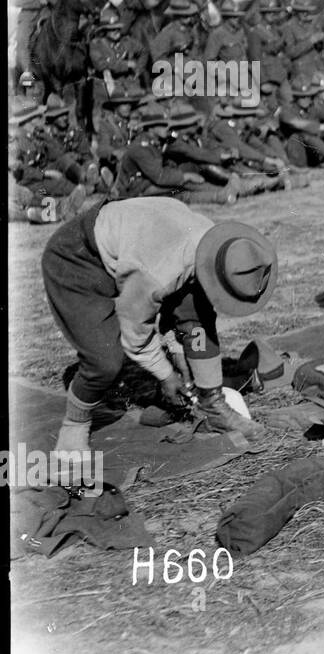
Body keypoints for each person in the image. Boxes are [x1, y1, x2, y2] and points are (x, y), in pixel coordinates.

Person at [40, 197, 276, 476]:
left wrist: (180, 347)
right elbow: (134, 335)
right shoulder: (157, 274)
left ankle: (213, 404)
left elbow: (191, 314)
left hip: (138, 250)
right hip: (78, 258)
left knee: (198, 318)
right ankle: (74, 424)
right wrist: (166, 374)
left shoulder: (216, 247)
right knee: (105, 360)